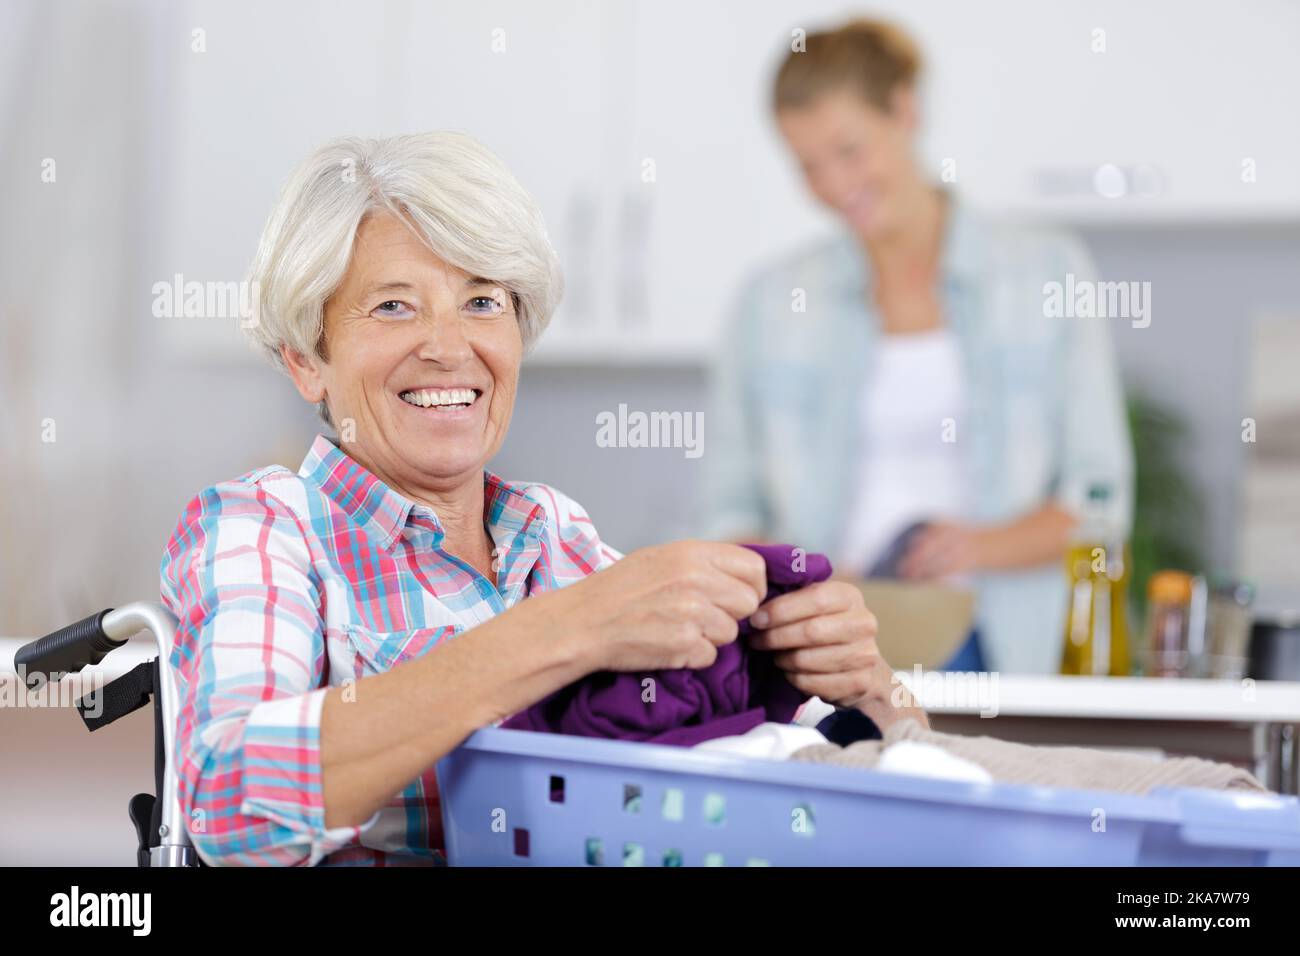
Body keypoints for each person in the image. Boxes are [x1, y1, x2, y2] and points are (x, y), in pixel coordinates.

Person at [159, 131, 926, 866]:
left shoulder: (556, 532)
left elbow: (807, 779)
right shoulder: (266, 525)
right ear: (306, 362)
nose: (450, 346)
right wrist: (561, 633)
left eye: (484, 302)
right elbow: (229, 805)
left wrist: (870, 689)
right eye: (394, 306)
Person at [701, 19, 1133, 674]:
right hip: (830, 645)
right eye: (808, 165)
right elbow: (724, 509)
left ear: (905, 110)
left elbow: (1101, 503)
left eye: (849, 150)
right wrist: (802, 572)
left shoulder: (1047, 271)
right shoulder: (770, 302)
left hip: (1000, 642)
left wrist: (976, 547)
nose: (834, 185)